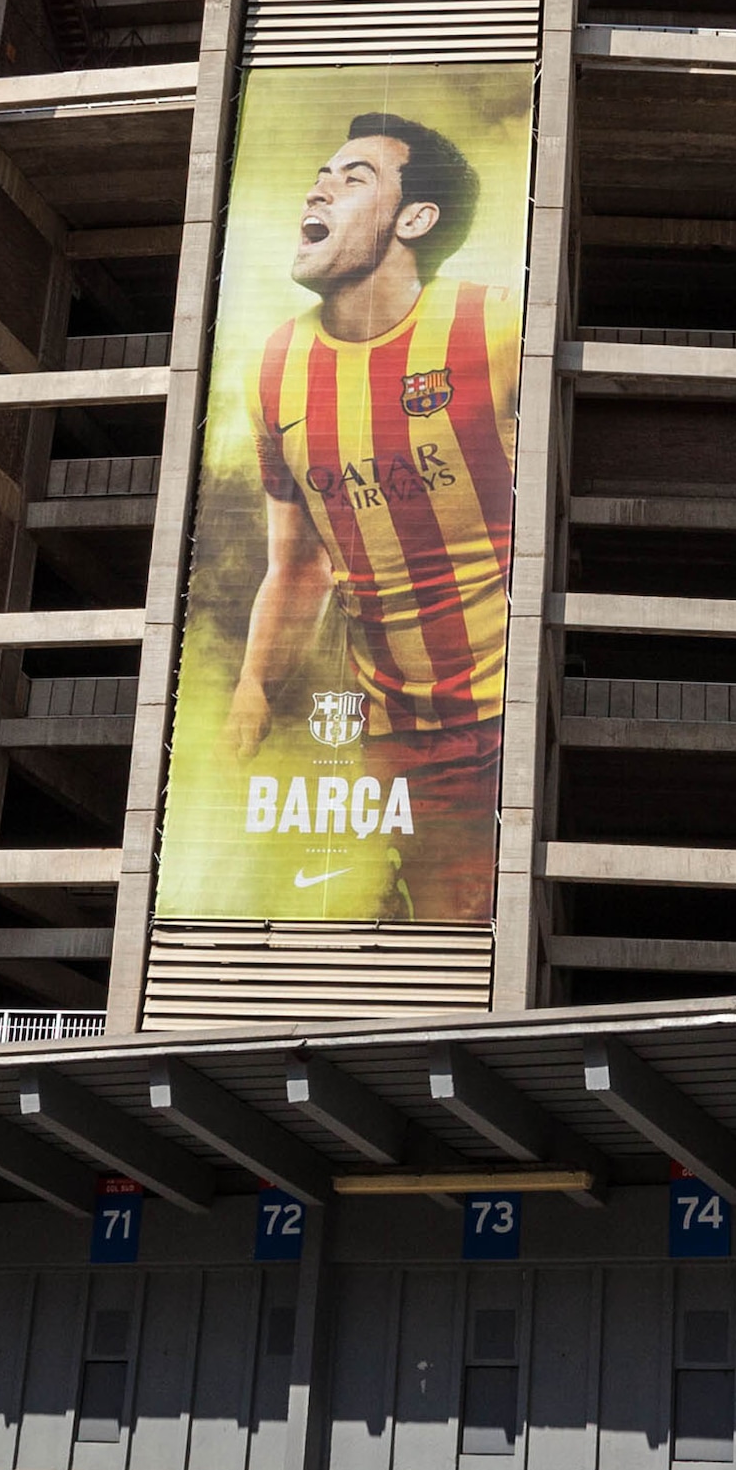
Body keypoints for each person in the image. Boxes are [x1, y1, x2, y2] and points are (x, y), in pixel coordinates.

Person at [220, 109, 514, 920]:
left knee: (467, 950)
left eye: (356, 179)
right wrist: (252, 684)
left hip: (504, 719)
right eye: (323, 174)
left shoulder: (496, 326)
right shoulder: (275, 368)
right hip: (387, 739)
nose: (321, 186)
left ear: (414, 219)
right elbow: (300, 563)